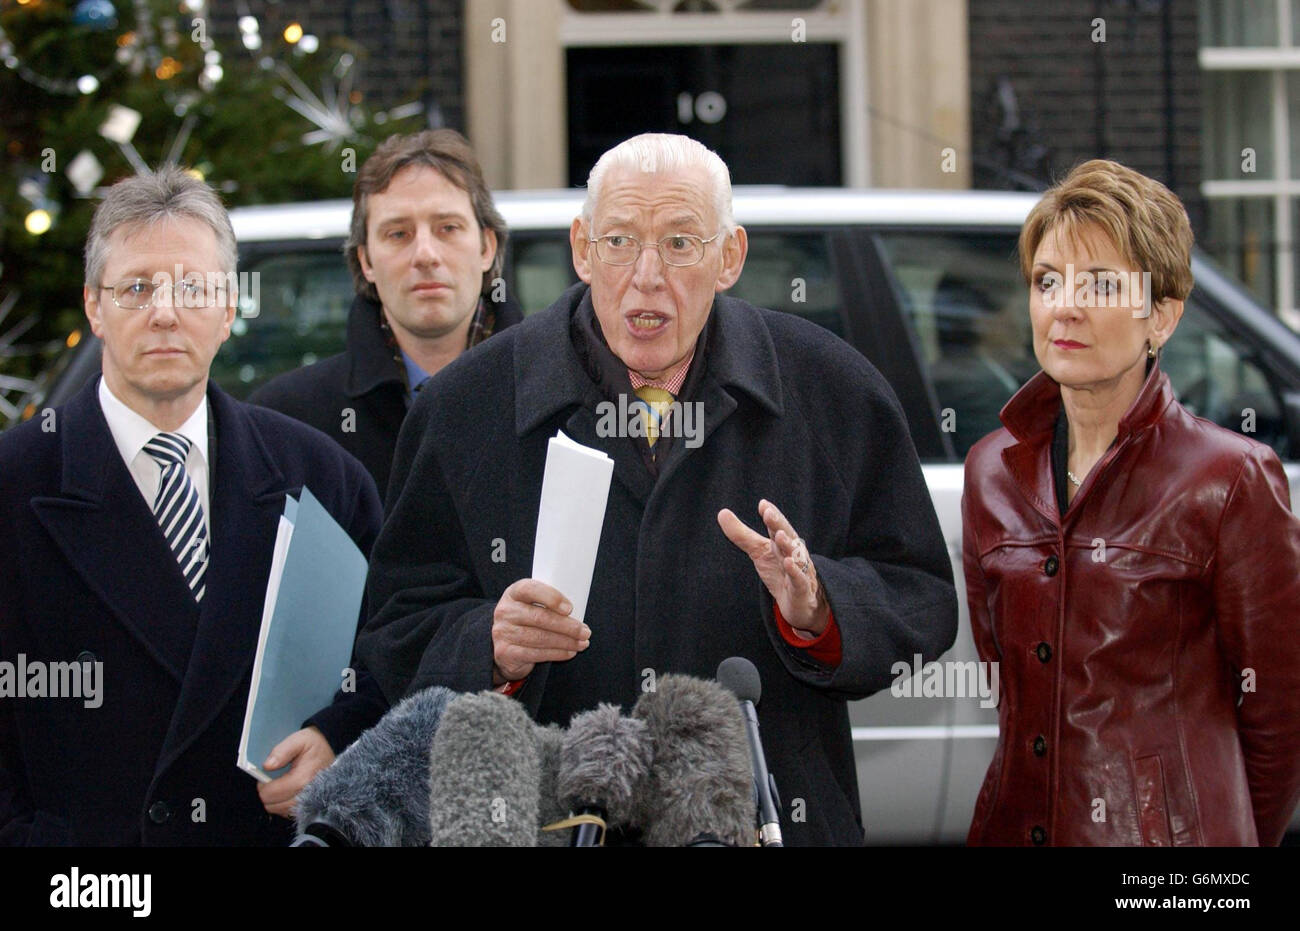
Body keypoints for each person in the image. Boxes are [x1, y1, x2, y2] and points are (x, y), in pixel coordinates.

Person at [356, 133, 957, 846]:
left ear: (729, 256)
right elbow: (395, 627)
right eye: (618, 241)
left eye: (679, 244)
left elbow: (920, 594)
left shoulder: (832, 390)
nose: (646, 276)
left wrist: (820, 607)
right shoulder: (466, 407)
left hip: (767, 819)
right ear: (581, 248)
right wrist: (488, 644)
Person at [0, 168, 384, 845]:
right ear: (94, 306)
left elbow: (391, 656)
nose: (166, 311)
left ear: (229, 305)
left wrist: (337, 736)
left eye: (194, 286)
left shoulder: (322, 477)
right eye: (137, 287)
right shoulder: (14, 482)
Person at [962, 159, 1300, 846]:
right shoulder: (990, 470)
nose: (1065, 306)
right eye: (1048, 280)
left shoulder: (1230, 477)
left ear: (1163, 316)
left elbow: (1278, 714)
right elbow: (1006, 681)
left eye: (1102, 284)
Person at [249, 129, 522, 498]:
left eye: (448, 228)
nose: (425, 254)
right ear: (366, 261)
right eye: (398, 234)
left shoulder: (563, 400)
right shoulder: (286, 419)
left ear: (486, 247)